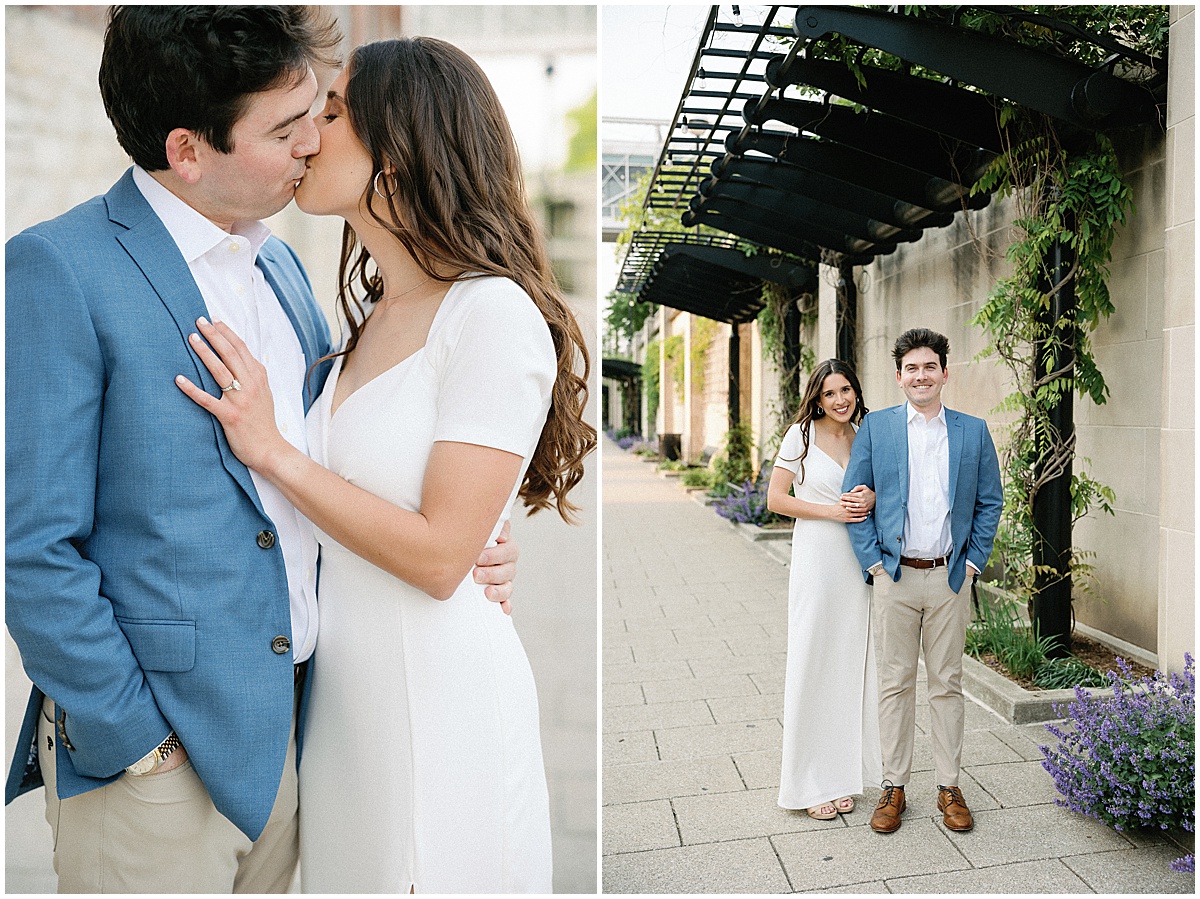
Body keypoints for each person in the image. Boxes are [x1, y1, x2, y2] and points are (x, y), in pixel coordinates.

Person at [4, 8, 517, 893]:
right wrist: (139, 744)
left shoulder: (279, 266)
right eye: (286, 129)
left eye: (318, 115)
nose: (312, 144)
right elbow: (34, 549)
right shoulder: (60, 269)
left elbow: (336, 466)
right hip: (159, 766)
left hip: (301, 738)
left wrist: (470, 536)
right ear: (189, 149)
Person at [176, 36, 595, 893]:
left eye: (331, 113)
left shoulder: (492, 314)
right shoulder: (365, 318)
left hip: (438, 706)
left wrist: (276, 453)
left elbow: (443, 557)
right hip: (344, 714)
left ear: (398, 149)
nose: (308, 135)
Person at [843, 328, 1003, 834]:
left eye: (929, 366)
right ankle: (894, 787)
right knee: (894, 685)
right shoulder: (877, 428)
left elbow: (989, 502)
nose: (921, 375)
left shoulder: (974, 430)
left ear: (944, 373)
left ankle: (949, 786)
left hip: (949, 579)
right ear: (899, 376)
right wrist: (872, 563)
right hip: (894, 576)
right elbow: (855, 498)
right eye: (911, 368)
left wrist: (973, 563)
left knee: (947, 684)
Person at [767, 360, 882, 820]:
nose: (841, 399)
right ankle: (807, 784)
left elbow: (883, 489)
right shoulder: (801, 436)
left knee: (850, 665)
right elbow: (775, 499)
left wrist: (871, 498)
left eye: (847, 390)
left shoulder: (864, 435)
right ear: (817, 397)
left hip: (857, 563)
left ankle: (841, 773)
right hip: (817, 558)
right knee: (814, 660)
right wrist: (831, 512)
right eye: (831, 392)